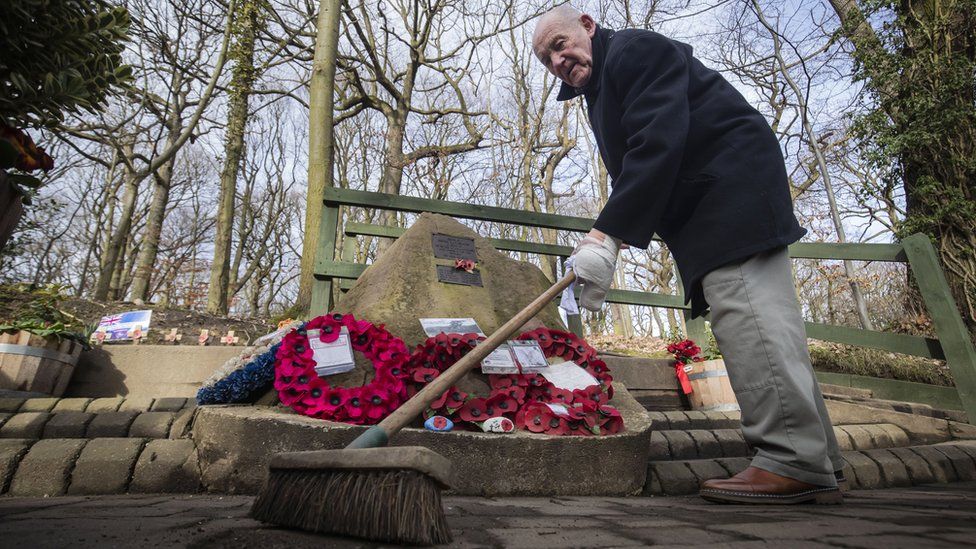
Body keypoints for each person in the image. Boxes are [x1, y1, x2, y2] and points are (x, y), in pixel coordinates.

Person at [533, 5, 845, 504]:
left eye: (560, 43)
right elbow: (638, 159)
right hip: (709, 200)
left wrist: (604, 235)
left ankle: (790, 459)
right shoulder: (601, 87)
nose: (557, 59)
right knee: (771, 325)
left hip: (727, 192)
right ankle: (816, 458)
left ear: (588, 26)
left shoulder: (635, 51)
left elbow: (656, 142)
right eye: (547, 58)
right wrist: (609, 233)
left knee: (748, 315)